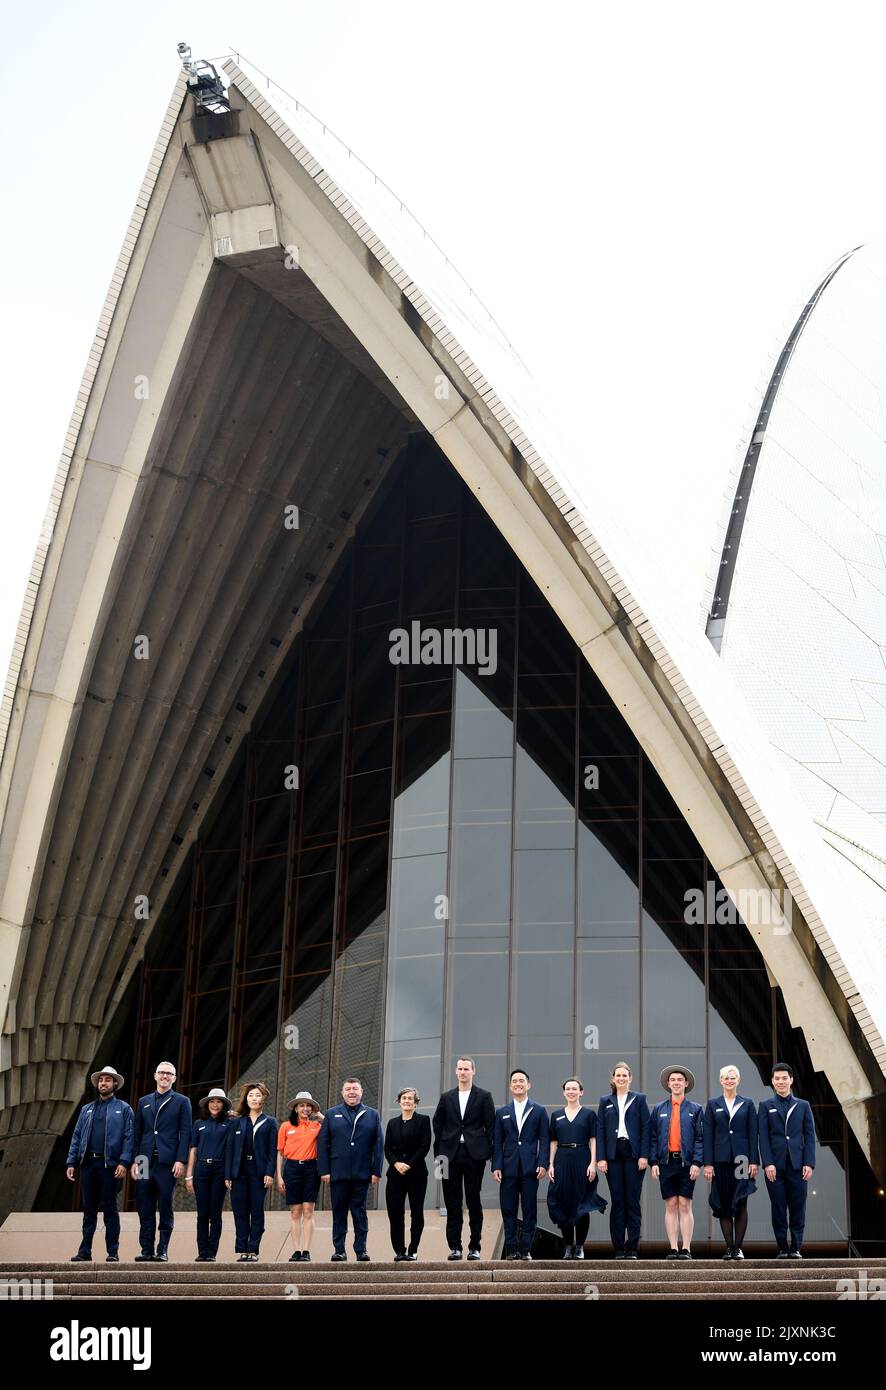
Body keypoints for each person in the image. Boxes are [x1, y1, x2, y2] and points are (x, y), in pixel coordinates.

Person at [66, 1066, 133, 1263]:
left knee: (110, 1209)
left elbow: (129, 1138)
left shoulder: (124, 1109)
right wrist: (71, 1161)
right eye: (101, 1080)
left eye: (108, 1080)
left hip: (110, 1166)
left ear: (115, 1085)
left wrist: (124, 1162)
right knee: (89, 1210)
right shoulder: (87, 1109)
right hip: (88, 1165)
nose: (103, 1083)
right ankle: (84, 1251)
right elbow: (77, 1136)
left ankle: (113, 1251)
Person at [433, 1057, 495, 1261]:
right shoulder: (446, 1097)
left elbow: (491, 1126)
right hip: (447, 1155)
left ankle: (474, 1246)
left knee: (473, 1199)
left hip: (474, 1155)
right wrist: (439, 1156)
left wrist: (488, 1151)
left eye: (466, 1069)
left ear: (473, 1071)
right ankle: (455, 1247)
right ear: (455, 1072)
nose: (462, 1072)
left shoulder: (484, 1096)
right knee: (452, 1202)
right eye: (459, 1068)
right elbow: (437, 1124)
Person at [317, 1078, 384, 1262]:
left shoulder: (372, 1114)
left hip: (362, 1174)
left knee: (359, 1213)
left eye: (355, 1089)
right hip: (338, 1173)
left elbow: (378, 1145)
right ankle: (339, 1250)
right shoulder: (332, 1114)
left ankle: (361, 1250)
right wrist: (324, 1170)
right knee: (339, 1213)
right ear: (342, 1092)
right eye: (348, 1089)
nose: (351, 1092)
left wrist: (376, 1171)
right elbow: (323, 1144)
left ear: (361, 1092)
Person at [131, 1061, 192, 1261]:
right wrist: (135, 1161)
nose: (165, 1076)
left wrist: (181, 1160)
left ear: (174, 1078)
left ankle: (162, 1249)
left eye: (169, 1074)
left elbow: (185, 1133)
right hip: (143, 1162)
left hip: (167, 1161)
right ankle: (146, 1249)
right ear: (155, 1075)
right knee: (144, 1205)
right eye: (162, 1073)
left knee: (165, 1203)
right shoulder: (143, 1101)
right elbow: (138, 1133)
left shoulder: (182, 1101)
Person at [758, 1062, 816, 1259]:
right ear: (772, 1082)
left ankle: (796, 1247)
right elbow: (763, 1137)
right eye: (777, 1079)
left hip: (798, 1166)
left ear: (791, 1080)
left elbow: (809, 1137)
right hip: (775, 1166)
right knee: (778, 1207)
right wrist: (767, 1163)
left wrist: (809, 1163)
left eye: (784, 1078)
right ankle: (782, 1246)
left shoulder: (803, 1105)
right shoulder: (765, 1106)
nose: (781, 1082)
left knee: (798, 1207)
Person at [492, 1069, 550, 1260]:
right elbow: (497, 1142)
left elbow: (544, 1138)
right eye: (514, 1081)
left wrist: (543, 1163)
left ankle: (525, 1249)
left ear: (529, 1085)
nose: (518, 1084)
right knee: (508, 1210)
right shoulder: (502, 1112)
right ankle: (511, 1249)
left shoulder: (539, 1110)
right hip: (508, 1169)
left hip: (530, 1168)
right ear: (510, 1086)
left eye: (521, 1081)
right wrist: (496, 1166)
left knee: (529, 1210)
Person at [703, 1065, 758, 1260]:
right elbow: (708, 1134)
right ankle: (729, 1247)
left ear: (738, 1080)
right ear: (721, 1080)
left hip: (742, 1160)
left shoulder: (748, 1103)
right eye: (726, 1077)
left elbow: (753, 1133)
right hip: (720, 1160)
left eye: (733, 1077)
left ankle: (738, 1248)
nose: (729, 1080)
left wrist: (754, 1161)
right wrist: (707, 1163)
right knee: (724, 1203)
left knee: (741, 1200)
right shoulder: (712, 1104)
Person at [547, 1077, 606, 1259]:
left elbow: (593, 1140)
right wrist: (550, 1164)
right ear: (564, 1092)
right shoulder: (556, 1115)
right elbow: (553, 1141)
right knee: (563, 1203)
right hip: (562, 1160)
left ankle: (579, 1246)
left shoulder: (589, 1115)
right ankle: (568, 1246)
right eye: (568, 1089)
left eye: (575, 1089)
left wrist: (593, 1163)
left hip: (582, 1158)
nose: (571, 1091)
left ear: (581, 1092)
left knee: (582, 1204)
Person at [596, 1061, 650, 1259]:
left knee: (632, 1201)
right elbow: (600, 1130)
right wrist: (601, 1158)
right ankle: (618, 1247)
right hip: (613, 1156)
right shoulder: (605, 1101)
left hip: (634, 1155)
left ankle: (632, 1247)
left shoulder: (639, 1099)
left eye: (624, 1075)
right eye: (618, 1075)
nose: (621, 1078)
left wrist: (644, 1155)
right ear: (613, 1079)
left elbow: (646, 1128)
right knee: (618, 1201)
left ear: (630, 1078)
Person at [650, 1065, 704, 1259]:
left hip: (687, 1163)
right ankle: (673, 1248)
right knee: (671, 1204)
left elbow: (700, 1138)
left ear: (686, 1083)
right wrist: (653, 1162)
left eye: (679, 1080)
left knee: (685, 1204)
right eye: (672, 1080)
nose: (676, 1083)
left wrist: (697, 1163)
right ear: (668, 1083)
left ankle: (686, 1248)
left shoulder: (696, 1109)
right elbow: (654, 1138)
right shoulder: (658, 1109)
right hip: (666, 1163)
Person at [224, 1082, 278, 1261]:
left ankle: (253, 1249)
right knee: (240, 1211)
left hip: (259, 1172)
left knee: (256, 1211)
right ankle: (242, 1249)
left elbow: (272, 1151)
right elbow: (230, 1150)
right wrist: (228, 1174)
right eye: (251, 1095)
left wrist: (270, 1173)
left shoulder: (270, 1122)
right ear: (246, 1099)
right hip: (239, 1172)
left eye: (257, 1095)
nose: (254, 1098)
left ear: (263, 1098)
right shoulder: (237, 1122)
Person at [384, 1086, 432, 1261]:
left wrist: (409, 1165)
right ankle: (399, 1250)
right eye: (404, 1098)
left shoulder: (423, 1120)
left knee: (416, 1212)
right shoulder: (392, 1123)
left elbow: (424, 1146)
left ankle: (413, 1249)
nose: (407, 1101)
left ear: (416, 1103)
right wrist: (396, 1163)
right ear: (399, 1101)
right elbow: (387, 1147)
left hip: (417, 1173)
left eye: (410, 1098)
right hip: (395, 1173)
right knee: (395, 1212)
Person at [185, 1087, 232, 1262]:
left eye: (218, 1101)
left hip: (220, 1170)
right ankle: (202, 1251)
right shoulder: (199, 1124)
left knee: (215, 1213)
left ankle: (212, 1252)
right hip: (201, 1170)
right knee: (202, 1213)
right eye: (212, 1101)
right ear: (207, 1104)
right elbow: (193, 1151)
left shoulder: (229, 1123)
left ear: (223, 1105)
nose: (215, 1104)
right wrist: (189, 1175)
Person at [276, 1091, 323, 1262]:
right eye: (301, 1105)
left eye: (308, 1105)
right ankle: (296, 1250)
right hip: (292, 1168)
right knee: (295, 1212)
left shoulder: (316, 1126)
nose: (305, 1108)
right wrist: (279, 1177)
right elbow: (280, 1153)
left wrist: (320, 1116)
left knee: (308, 1211)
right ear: (295, 1108)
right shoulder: (286, 1127)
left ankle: (306, 1250)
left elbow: (333, 1129)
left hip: (311, 1168)